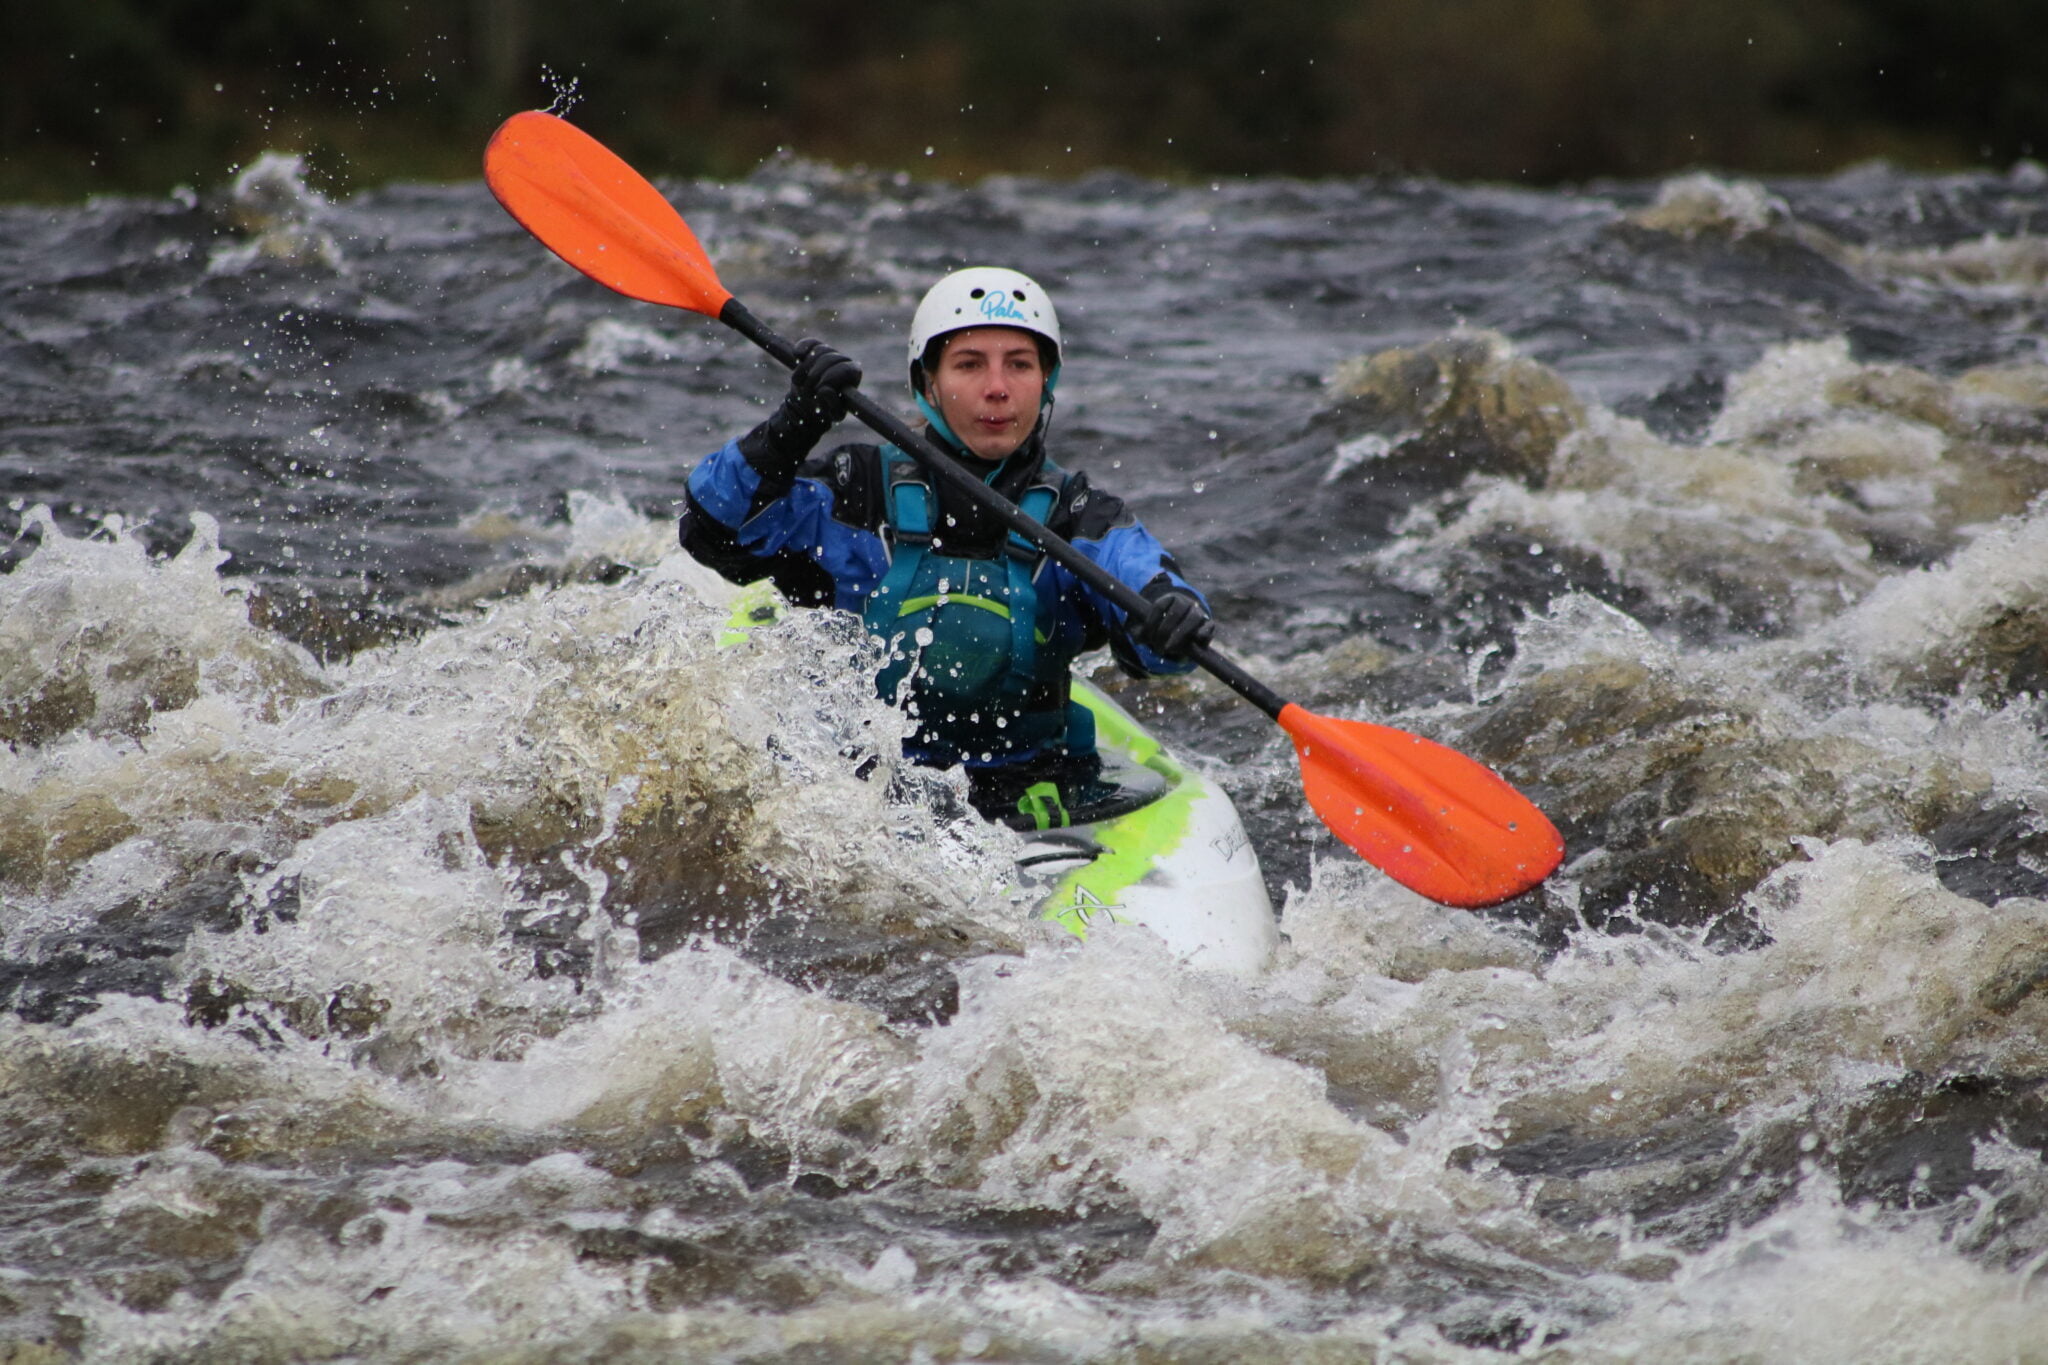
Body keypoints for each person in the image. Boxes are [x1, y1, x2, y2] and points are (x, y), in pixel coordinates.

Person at [679, 266, 1214, 826]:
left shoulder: (1078, 517)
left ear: (1046, 381)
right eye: (969, 364)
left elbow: (1153, 611)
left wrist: (1174, 614)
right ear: (927, 382)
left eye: (1020, 364)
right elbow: (710, 529)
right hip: (858, 782)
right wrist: (794, 424)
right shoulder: (853, 493)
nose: (997, 387)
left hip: (1030, 781)